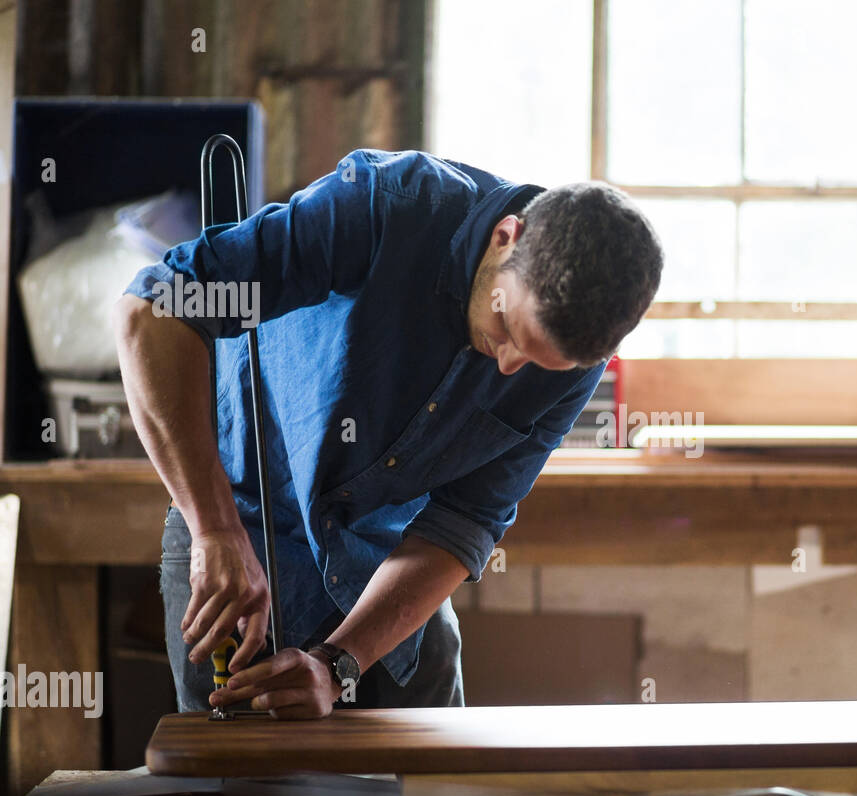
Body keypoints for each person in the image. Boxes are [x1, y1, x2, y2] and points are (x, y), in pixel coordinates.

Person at [113, 149, 663, 719]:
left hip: (387, 559)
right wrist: (214, 530)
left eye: (535, 362)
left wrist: (336, 665)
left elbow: (463, 522)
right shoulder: (385, 207)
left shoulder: (574, 360)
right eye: (506, 330)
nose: (506, 366)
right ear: (506, 237)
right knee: (227, 795)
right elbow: (152, 311)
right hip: (236, 518)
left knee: (431, 793)